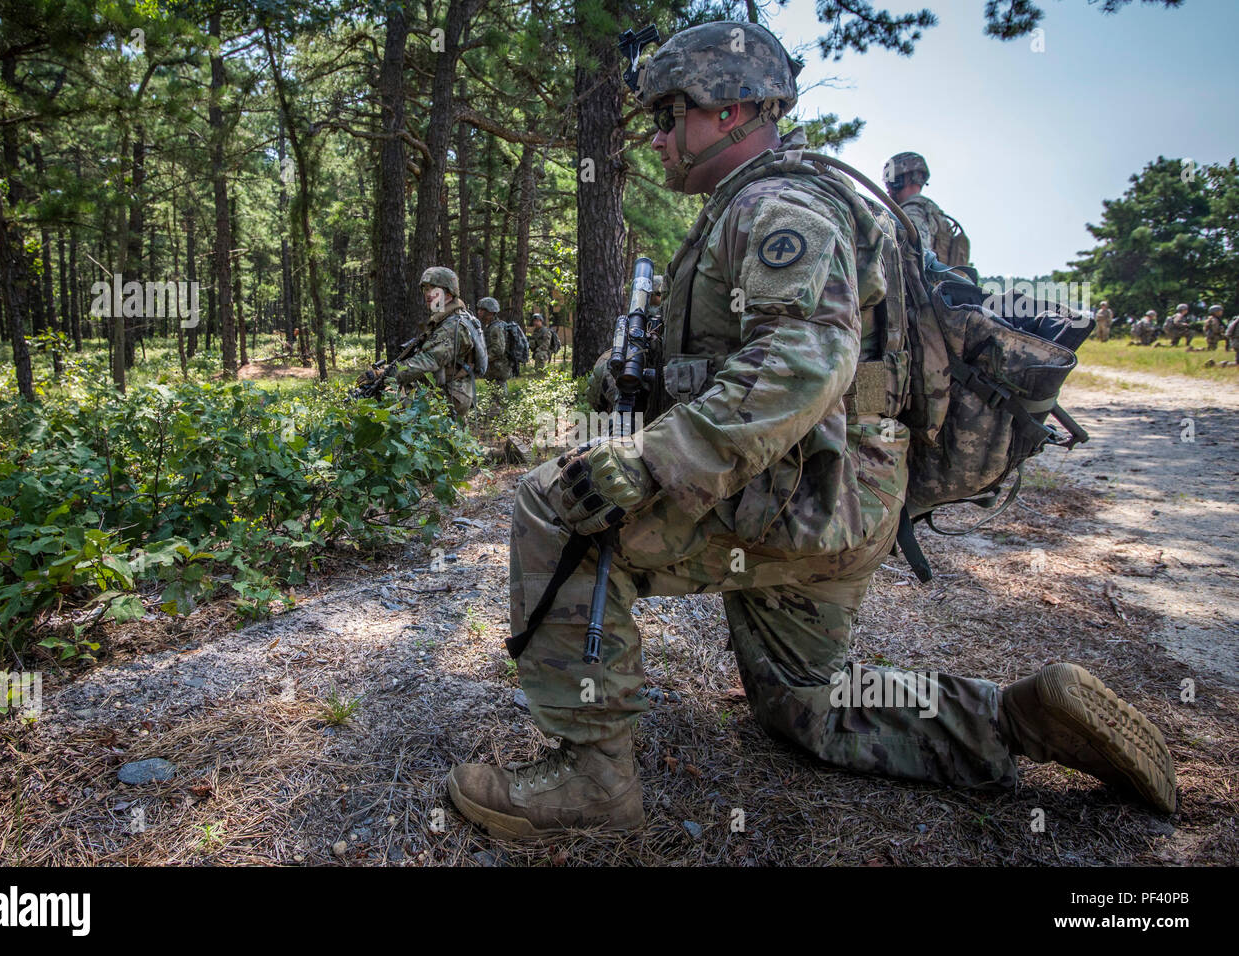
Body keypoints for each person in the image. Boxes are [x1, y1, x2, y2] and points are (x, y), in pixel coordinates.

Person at [444, 20, 1177, 839]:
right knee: (809, 701)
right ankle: (1012, 719)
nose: (654, 138)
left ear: (731, 110)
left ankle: (591, 779)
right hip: (845, 507)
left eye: (667, 113)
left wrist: (656, 459)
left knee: (556, 508)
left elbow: (805, 356)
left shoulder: (773, 203)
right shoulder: (785, 201)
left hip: (792, 499)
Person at [360, 266, 481, 420]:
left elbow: (428, 361)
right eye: (425, 289)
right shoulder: (445, 320)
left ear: (448, 293)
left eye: (433, 289)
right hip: (447, 390)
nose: (427, 294)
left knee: (391, 404)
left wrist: (386, 374)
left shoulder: (452, 326)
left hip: (451, 396)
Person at [882, 152, 971, 267]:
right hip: (937, 283)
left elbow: (919, 257)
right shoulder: (935, 214)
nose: (888, 190)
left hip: (921, 283)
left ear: (898, 181)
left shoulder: (912, 210)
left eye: (889, 182)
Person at [476, 297, 511, 384]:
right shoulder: (491, 326)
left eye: (482, 310)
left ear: (490, 312)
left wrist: (483, 359)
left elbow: (498, 350)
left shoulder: (496, 328)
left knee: (499, 395)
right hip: (494, 369)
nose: (478, 312)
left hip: (498, 369)